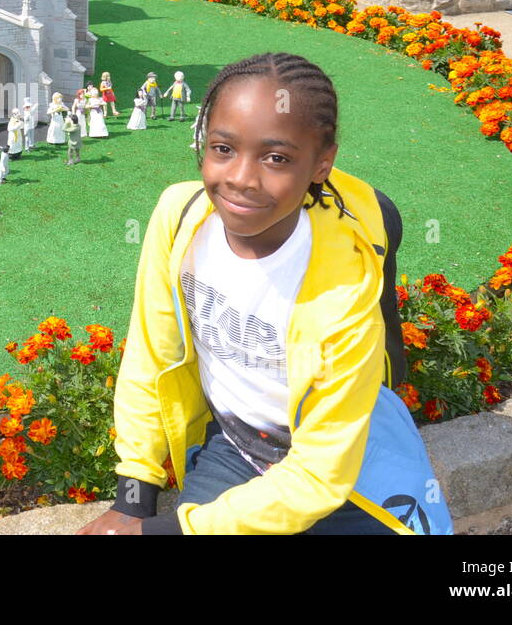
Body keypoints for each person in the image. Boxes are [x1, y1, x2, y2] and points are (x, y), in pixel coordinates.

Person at [76, 52, 451, 536]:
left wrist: (164, 532)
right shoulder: (181, 217)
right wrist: (134, 497)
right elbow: (152, 352)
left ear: (322, 164)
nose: (240, 179)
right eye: (223, 148)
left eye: (276, 158)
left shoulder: (344, 284)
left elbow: (319, 474)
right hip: (237, 450)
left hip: (348, 465)